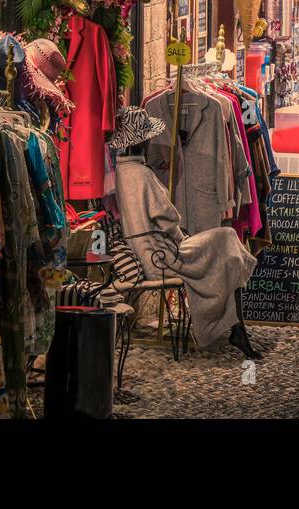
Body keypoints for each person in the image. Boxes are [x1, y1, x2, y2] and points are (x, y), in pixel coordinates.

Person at [105, 106, 261, 358]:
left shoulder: (116, 175)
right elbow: (166, 217)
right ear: (142, 140)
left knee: (226, 247)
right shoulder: (142, 175)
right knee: (227, 238)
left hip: (142, 254)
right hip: (163, 256)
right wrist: (182, 238)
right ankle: (235, 322)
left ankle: (234, 322)